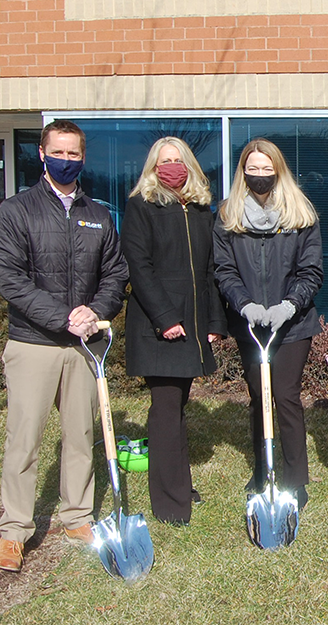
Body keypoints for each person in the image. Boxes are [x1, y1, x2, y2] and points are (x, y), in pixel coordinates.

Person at [0, 119, 129, 571]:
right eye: (59, 152)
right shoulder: (17, 210)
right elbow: (9, 277)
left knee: (80, 435)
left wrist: (94, 313)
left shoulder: (98, 213)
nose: (66, 160)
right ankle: (14, 531)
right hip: (34, 342)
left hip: (83, 345)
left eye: (74, 154)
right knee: (24, 440)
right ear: (42, 153)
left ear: (82, 158)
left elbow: (116, 274)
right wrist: (61, 317)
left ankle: (76, 516)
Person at [121, 136, 226, 526]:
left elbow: (211, 272)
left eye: (178, 160)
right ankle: (169, 504)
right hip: (159, 326)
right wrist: (165, 319)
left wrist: (214, 322)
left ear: (190, 166)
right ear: (153, 167)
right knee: (165, 412)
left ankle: (179, 484)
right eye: (164, 161)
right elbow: (139, 268)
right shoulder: (141, 207)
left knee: (178, 408)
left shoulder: (201, 210)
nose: (172, 167)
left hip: (193, 327)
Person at [214, 138, 322, 509]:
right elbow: (224, 268)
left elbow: (311, 270)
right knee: (259, 397)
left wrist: (288, 306)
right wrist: (243, 304)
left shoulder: (301, 213)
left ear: (278, 169)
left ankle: (295, 477)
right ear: (243, 171)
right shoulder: (228, 215)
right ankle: (263, 470)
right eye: (253, 168)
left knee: (285, 396)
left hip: (292, 324)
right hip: (250, 323)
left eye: (266, 168)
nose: (260, 175)